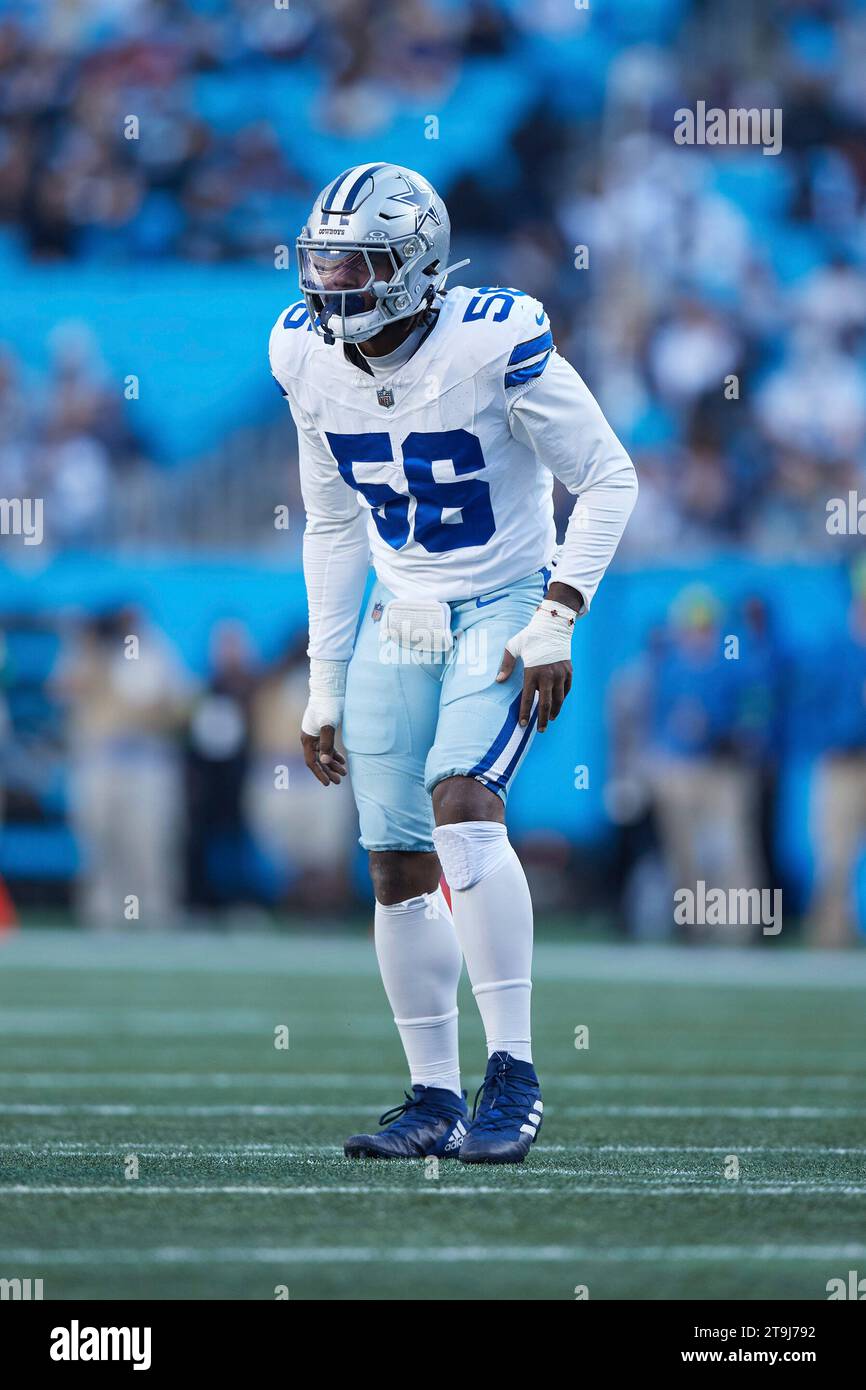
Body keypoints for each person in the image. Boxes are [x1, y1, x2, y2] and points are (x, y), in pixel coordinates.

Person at [269, 163, 637, 1163]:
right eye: (323, 258)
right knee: (394, 861)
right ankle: (432, 1096)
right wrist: (324, 679)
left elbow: (606, 475)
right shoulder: (301, 353)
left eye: (358, 262)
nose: (331, 281)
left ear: (417, 266)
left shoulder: (490, 336)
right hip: (401, 612)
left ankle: (511, 1073)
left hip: (507, 597)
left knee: (462, 802)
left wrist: (559, 610)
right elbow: (333, 523)